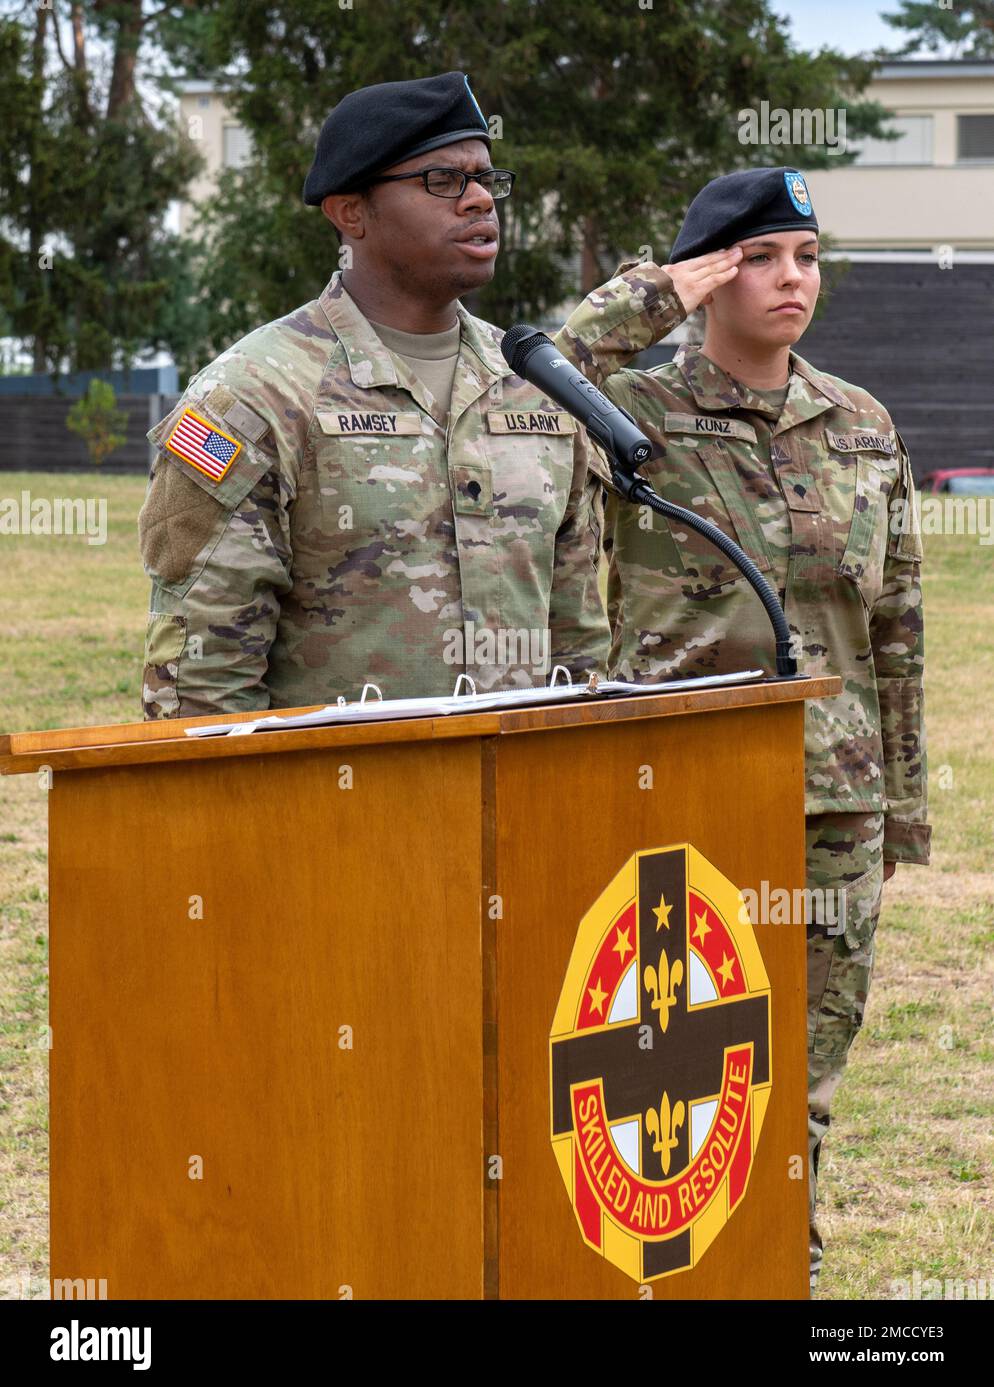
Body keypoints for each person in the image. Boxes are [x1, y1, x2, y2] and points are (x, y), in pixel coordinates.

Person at [552, 167, 931, 1292]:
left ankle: (782, 1275)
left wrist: (903, 806)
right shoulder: (635, 414)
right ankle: (664, 1273)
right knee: (667, 1066)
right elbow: (536, 375)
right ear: (709, 275)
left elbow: (898, 621)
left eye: (806, 259)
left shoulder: (859, 422)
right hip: (678, 785)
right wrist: (659, 290)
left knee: (801, 1069)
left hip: (834, 798)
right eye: (759, 258)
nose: (789, 280)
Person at [138, 71, 609, 719]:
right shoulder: (253, 395)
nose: (479, 201)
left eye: (486, 179)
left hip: (522, 805)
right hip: (338, 809)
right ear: (350, 211)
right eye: (443, 180)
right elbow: (202, 682)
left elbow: (579, 648)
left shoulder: (536, 384)